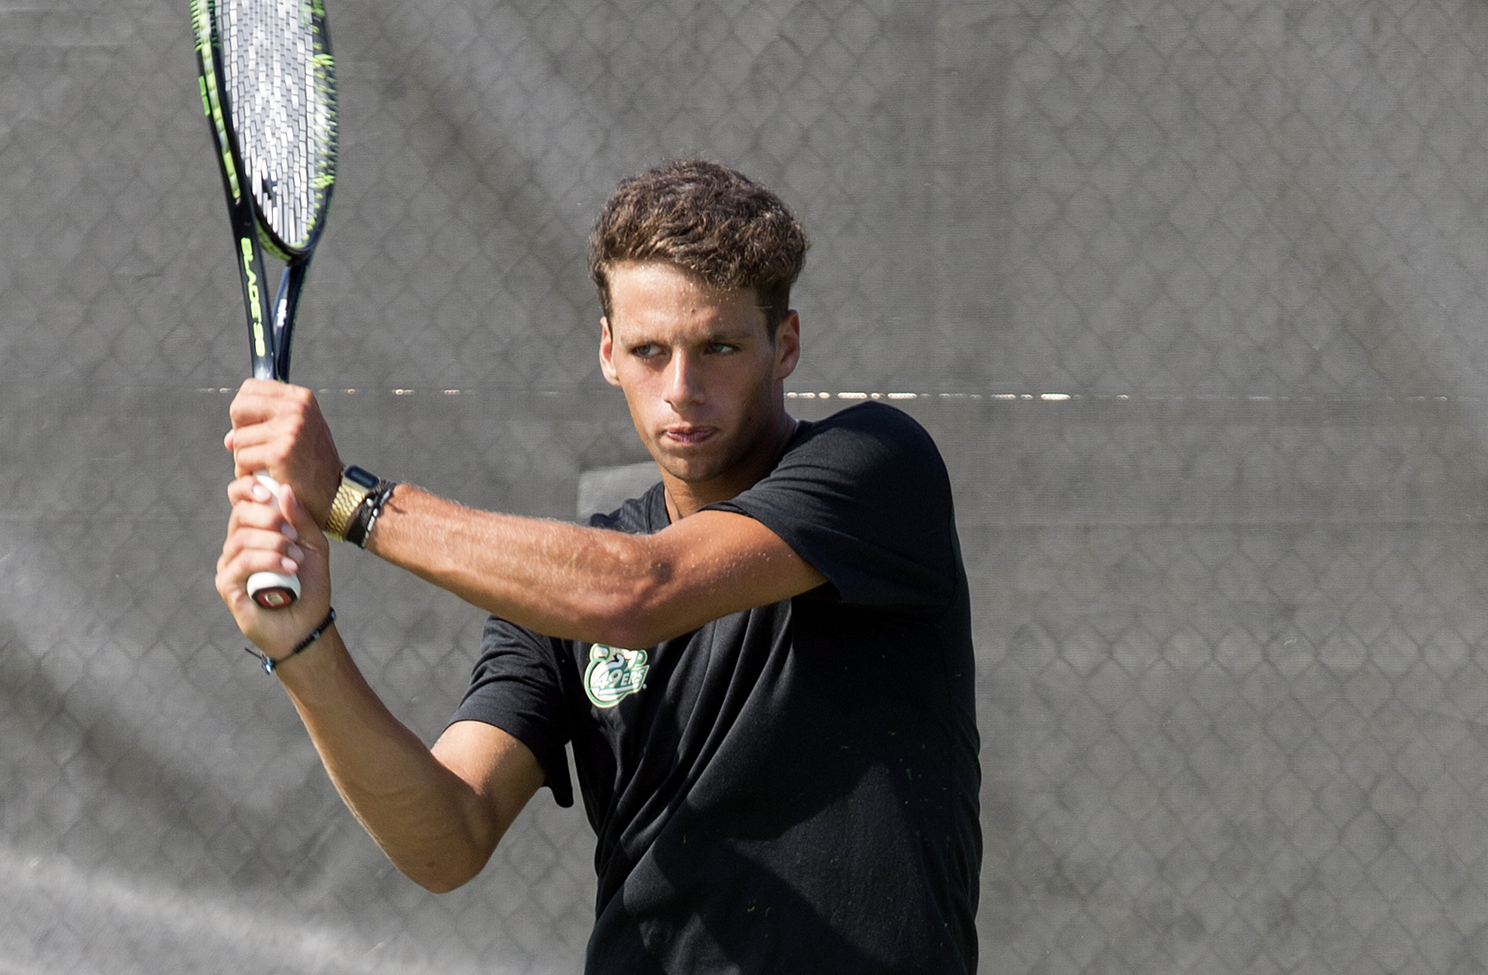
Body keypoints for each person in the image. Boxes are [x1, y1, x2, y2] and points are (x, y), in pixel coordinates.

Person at [215, 160, 981, 973]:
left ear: (783, 346)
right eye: (650, 351)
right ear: (609, 352)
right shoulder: (556, 595)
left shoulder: (877, 468)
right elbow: (447, 840)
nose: (681, 388)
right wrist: (303, 649)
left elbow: (642, 589)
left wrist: (350, 502)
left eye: (718, 346)